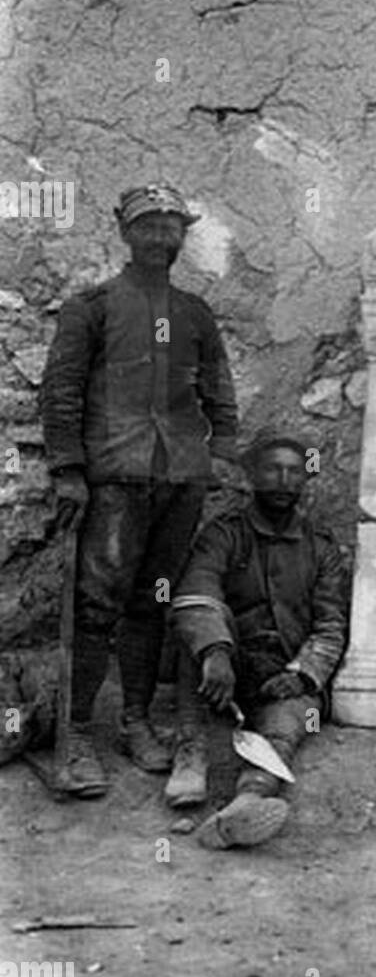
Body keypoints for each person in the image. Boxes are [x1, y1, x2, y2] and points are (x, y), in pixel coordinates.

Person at [38, 184, 239, 796]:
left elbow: (220, 396)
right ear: (124, 232)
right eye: (148, 226)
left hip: (179, 480)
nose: (160, 237)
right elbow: (61, 391)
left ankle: (134, 721)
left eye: (171, 227)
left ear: (183, 237)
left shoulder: (196, 314)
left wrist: (220, 459)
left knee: (152, 604)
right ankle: (75, 738)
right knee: (96, 605)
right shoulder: (90, 308)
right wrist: (69, 471)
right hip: (115, 481)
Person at [168, 430, 349, 849]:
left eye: (294, 472)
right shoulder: (223, 534)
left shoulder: (321, 548)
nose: (284, 481)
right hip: (227, 666)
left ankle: (246, 802)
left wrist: (302, 676)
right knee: (193, 630)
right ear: (251, 476)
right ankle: (190, 752)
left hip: (281, 672)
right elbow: (198, 589)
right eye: (272, 470)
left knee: (287, 725)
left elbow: (330, 626)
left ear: (306, 480)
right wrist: (216, 651)